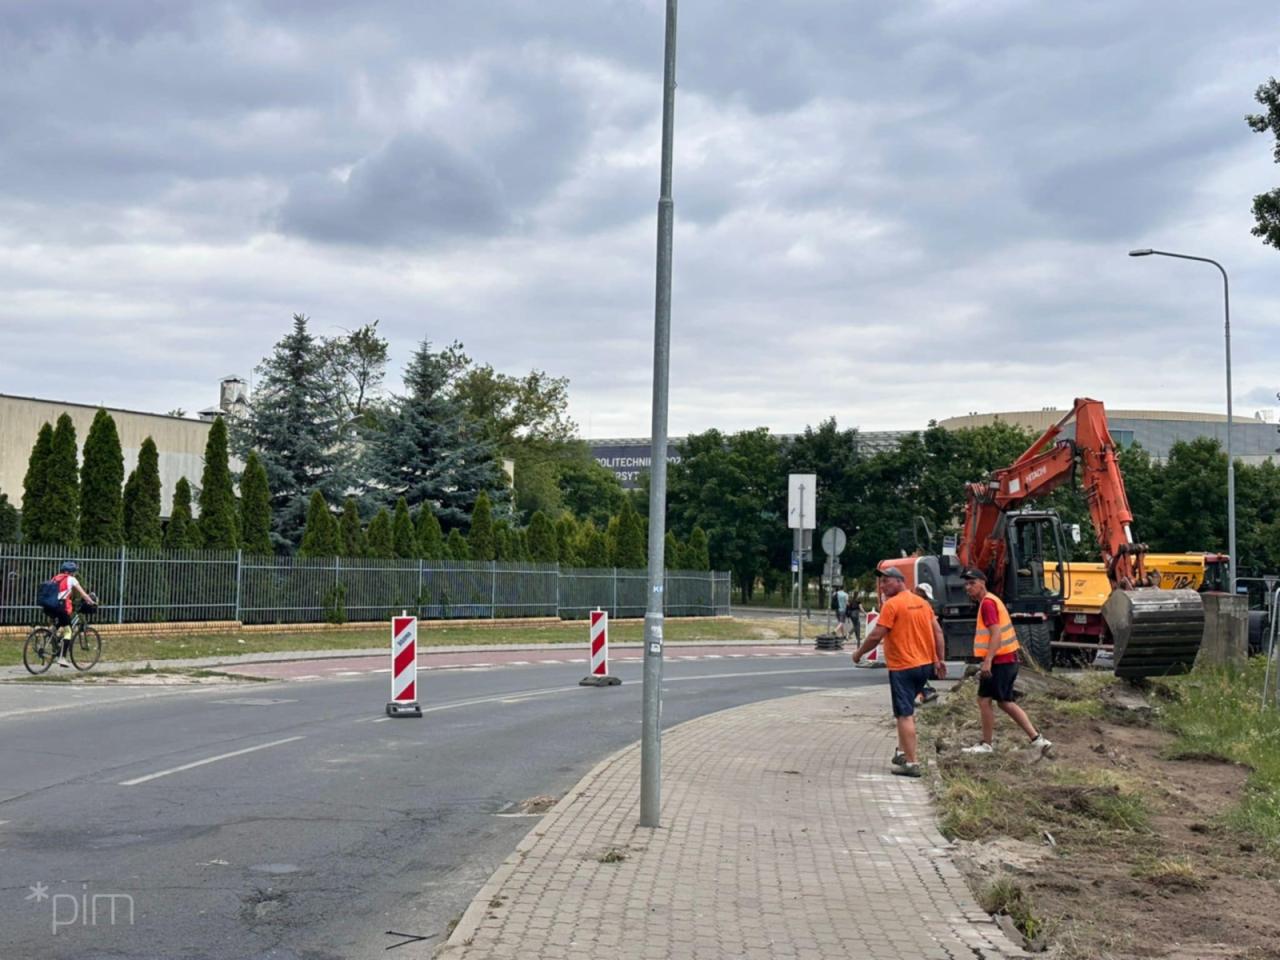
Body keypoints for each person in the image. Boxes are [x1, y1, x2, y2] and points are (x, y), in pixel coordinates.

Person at [850, 567, 946, 777]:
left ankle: (911, 764)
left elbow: (876, 635)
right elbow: (937, 632)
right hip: (924, 666)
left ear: (899, 581)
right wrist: (939, 659)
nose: (882, 587)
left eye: (886, 582)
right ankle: (902, 752)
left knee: (904, 714)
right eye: (881, 583)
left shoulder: (892, 605)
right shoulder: (922, 603)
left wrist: (859, 653)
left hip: (903, 666)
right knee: (907, 709)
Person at [959, 568, 1052, 756]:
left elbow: (996, 633)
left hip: (1000, 661)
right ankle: (1037, 739)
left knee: (984, 700)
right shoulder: (991, 600)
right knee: (1004, 701)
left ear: (982, 583)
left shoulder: (987, 604)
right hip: (1007, 660)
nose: (967, 587)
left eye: (972, 583)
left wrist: (988, 661)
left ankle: (987, 745)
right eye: (966, 584)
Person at [46, 561, 93, 668]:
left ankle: (52, 637)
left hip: (50, 606)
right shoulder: (71, 579)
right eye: (74, 571)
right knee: (69, 631)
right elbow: (83, 594)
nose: (75, 573)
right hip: (61, 607)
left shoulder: (55, 578)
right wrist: (91, 601)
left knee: (60, 625)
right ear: (70, 572)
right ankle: (62, 658)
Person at [914, 583, 940, 705]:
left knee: (917, 672)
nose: (925, 600)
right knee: (917, 672)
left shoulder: (924, 606)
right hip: (918, 645)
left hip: (915, 645)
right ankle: (922, 693)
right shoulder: (924, 606)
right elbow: (937, 631)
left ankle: (921, 693)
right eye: (924, 596)